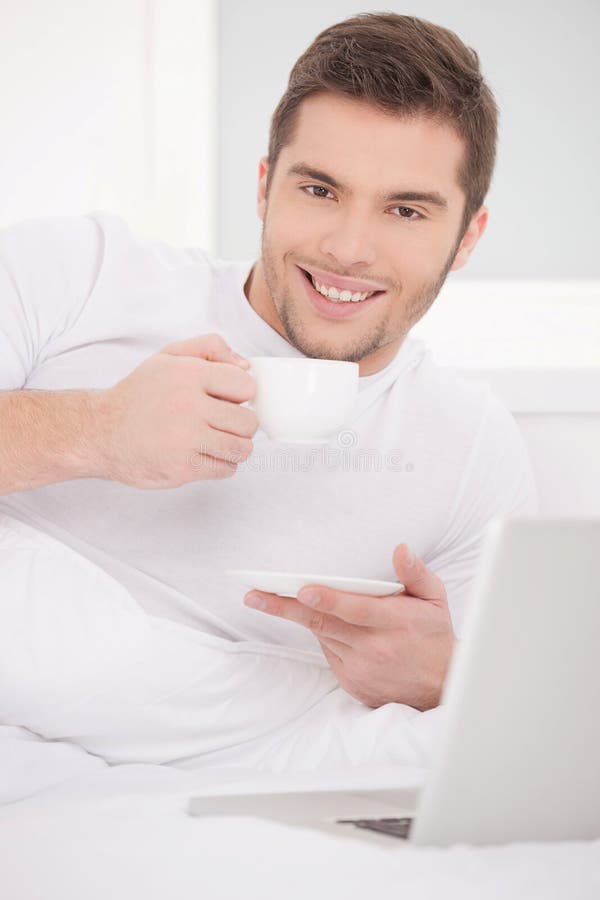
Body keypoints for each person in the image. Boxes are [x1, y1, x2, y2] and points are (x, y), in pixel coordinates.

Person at [0, 12, 537, 744]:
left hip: (248, 802)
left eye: (405, 210)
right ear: (264, 187)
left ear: (467, 237)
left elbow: (507, 732)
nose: (349, 248)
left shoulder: (471, 447)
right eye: (319, 191)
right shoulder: (85, 276)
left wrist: (446, 679)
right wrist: (97, 433)